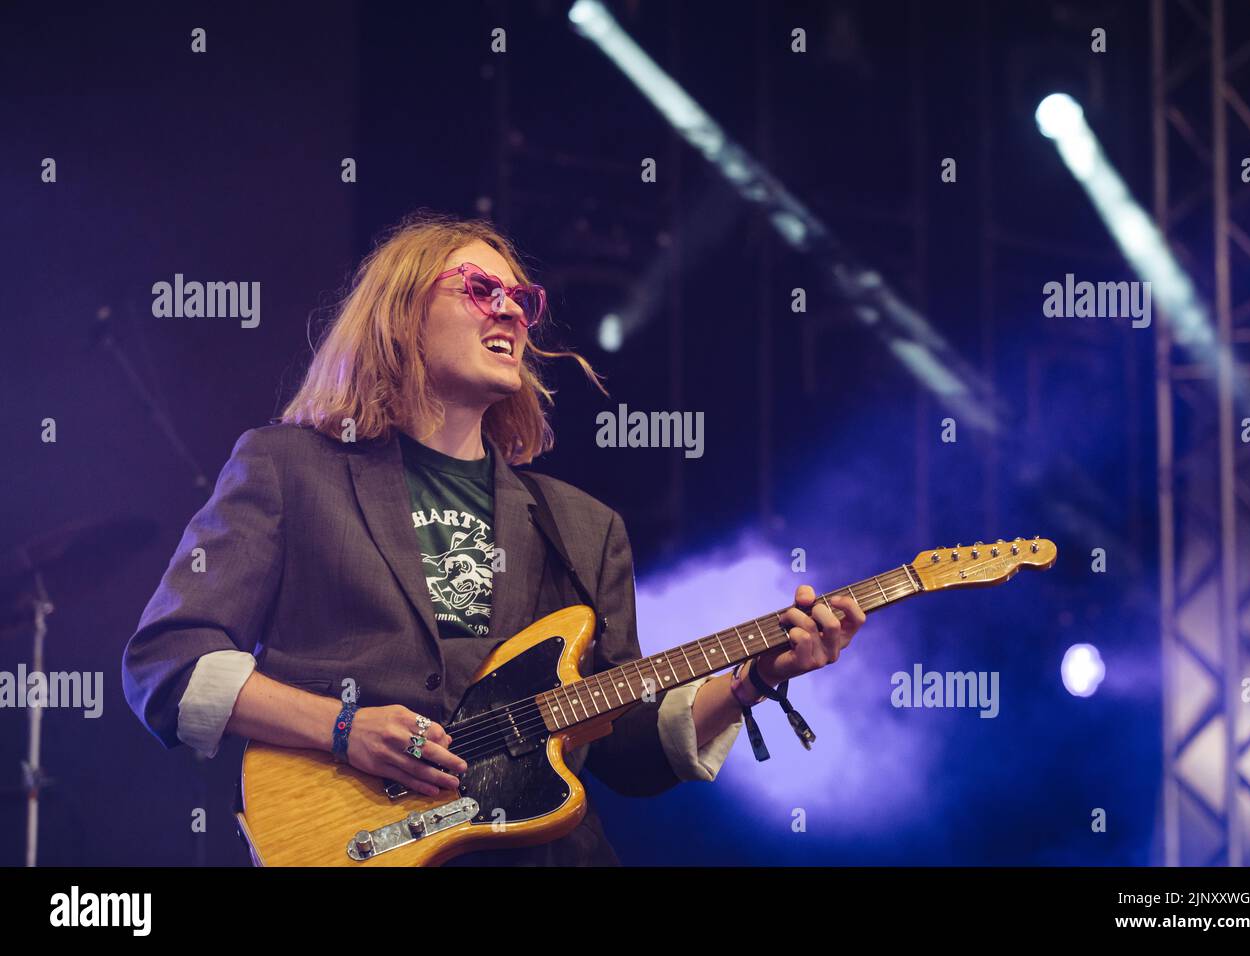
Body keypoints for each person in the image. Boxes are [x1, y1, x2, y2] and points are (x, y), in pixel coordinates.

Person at [121, 211, 867, 865]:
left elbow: (626, 750)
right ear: (400, 312)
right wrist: (343, 727)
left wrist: (752, 682)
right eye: (481, 289)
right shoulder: (289, 468)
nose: (511, 311)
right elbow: (168, 662)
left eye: (523, 299)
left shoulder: (583, 525)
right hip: (355, 843)